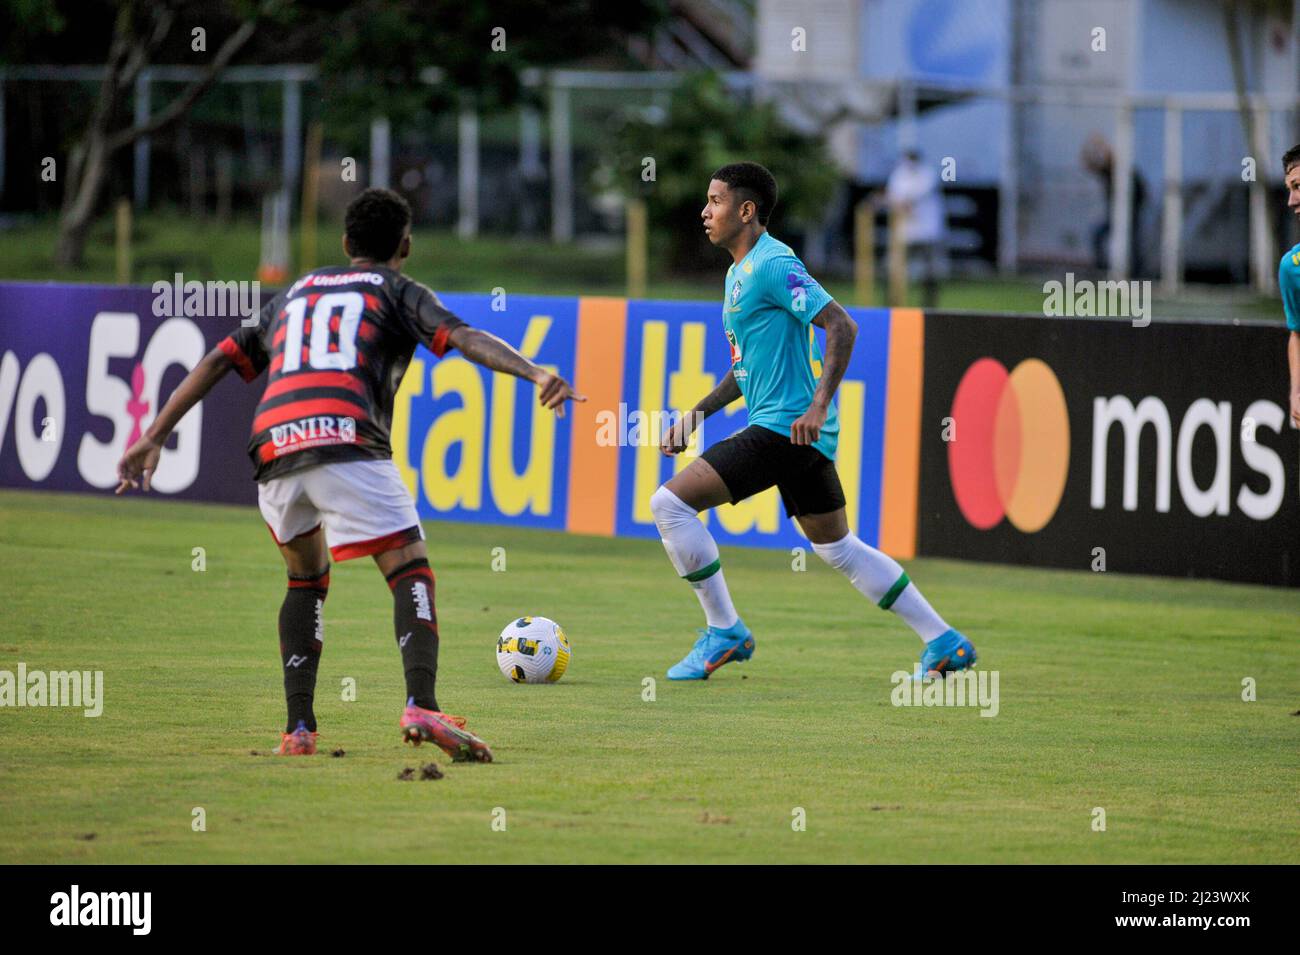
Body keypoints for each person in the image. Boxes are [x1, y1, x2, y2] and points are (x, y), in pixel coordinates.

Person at [115, 188, 584, 758]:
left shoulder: (296, 290)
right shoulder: (397, 289)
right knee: (410, 568)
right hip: (346, 440)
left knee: (305, 580)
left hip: (273, 447)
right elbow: (463, 338)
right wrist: (533, 372)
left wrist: (153, 434)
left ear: (344, 243)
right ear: (405, 246)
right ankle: (421, 705)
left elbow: (220, 359)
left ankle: (299, 729)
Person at [654, 161, 975, 681]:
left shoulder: (774, 265)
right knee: (837, 548)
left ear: (746, 209)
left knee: (669, 505)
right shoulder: (739, 273)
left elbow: (841, 324)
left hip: (787, 427)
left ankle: (725, 630)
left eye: (715, 201)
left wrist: (819, 402)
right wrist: (696, 414)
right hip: (796, 433)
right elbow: (745, 370)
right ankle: (944, 641)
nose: (704, 211)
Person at [884, 148, 946, 308]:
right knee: (894, 270)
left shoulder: (927, 174)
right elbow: (895, 198)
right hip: (905, 233)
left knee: (930, 272)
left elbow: (911, 197)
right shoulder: (899, 175)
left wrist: (900, 202)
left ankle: (929, 305)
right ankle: (892, 303)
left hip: (927, 232)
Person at [1277, 144, 1300, 432]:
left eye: (1299, 186)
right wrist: (1296, 391)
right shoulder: (1291, 267)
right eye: (1289, 189)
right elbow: (1297, 333)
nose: (1291, 201)